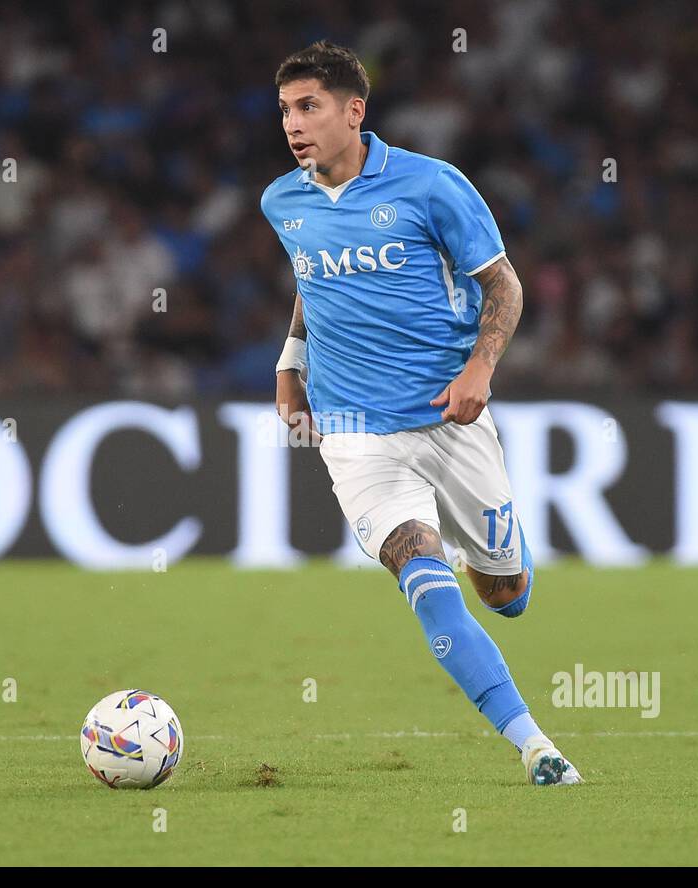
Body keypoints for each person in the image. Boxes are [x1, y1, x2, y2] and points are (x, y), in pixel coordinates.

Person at [260, 41, 581, 785]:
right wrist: (290, 362)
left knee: (505, 596)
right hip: (353, 429)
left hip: (450, 418)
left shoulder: (433, 186)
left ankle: (502, 565)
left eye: (308, 107)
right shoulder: (284, 201)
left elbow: (504, 287)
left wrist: (481, 367)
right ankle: (537, 747)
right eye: (284, 110)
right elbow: (315, 280)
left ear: (354, 111)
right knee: (419, 569)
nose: (293, 124)